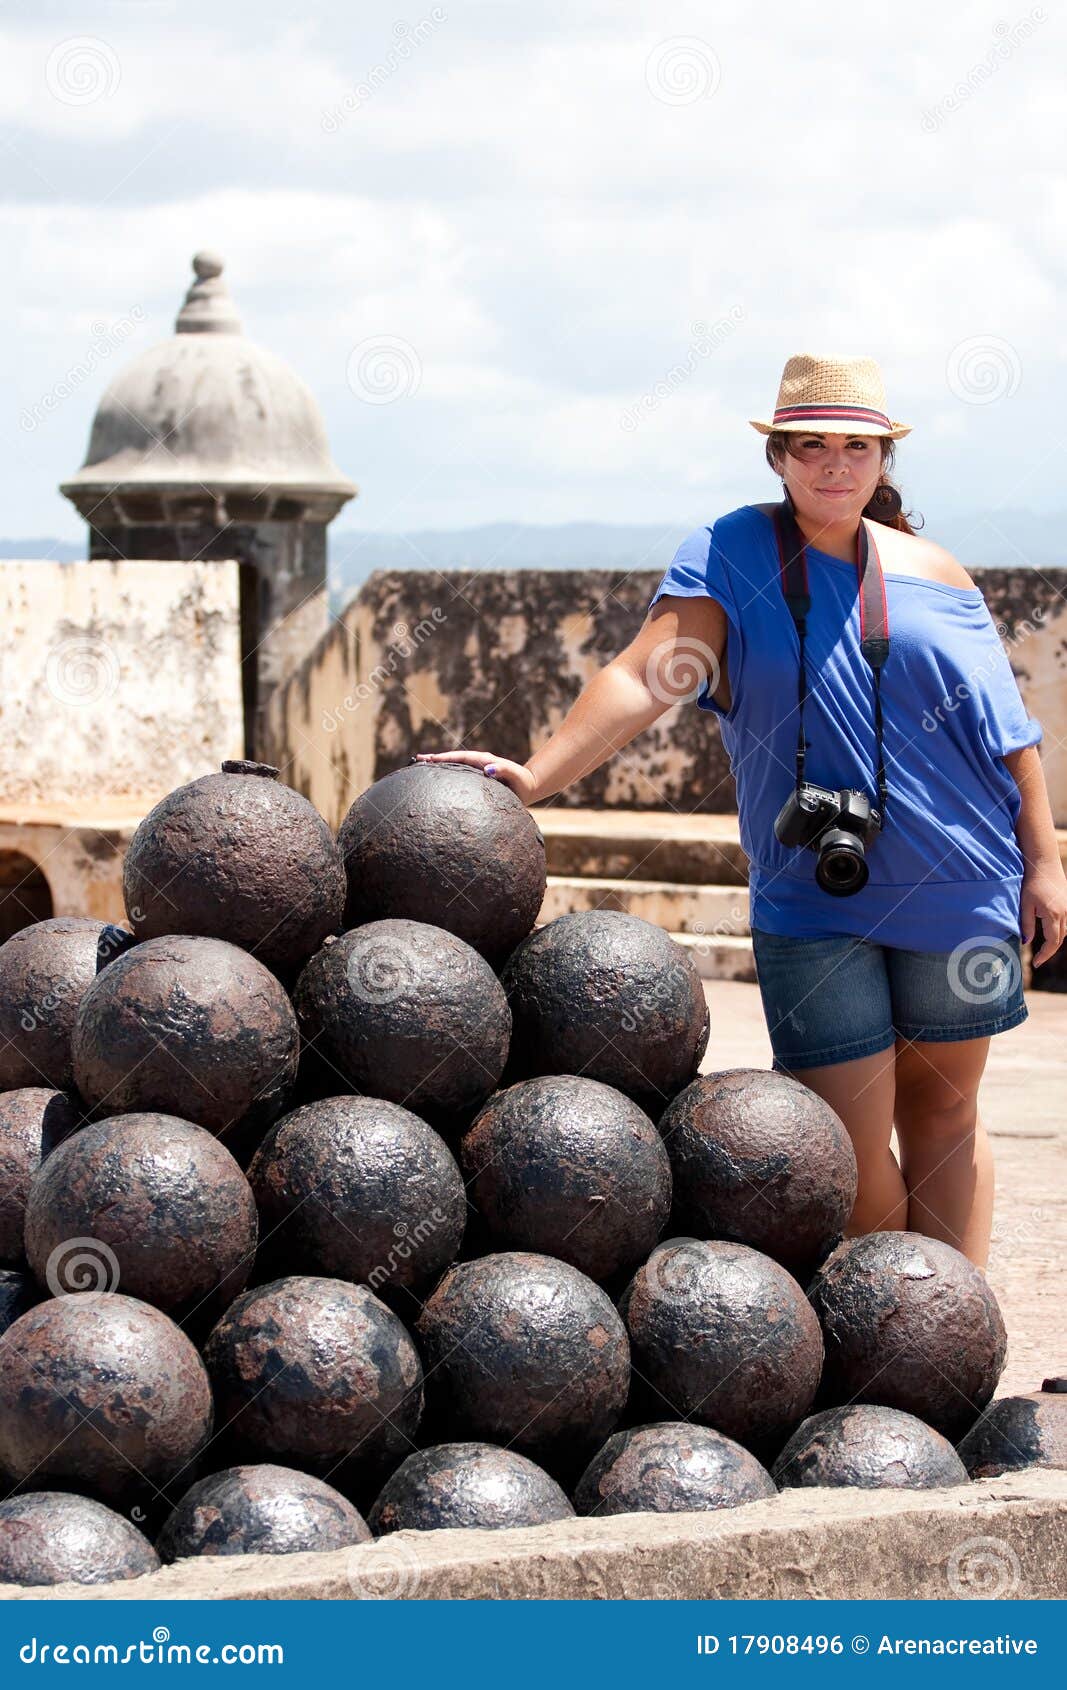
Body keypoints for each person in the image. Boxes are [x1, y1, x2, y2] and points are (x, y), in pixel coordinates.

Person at [415, 352, 1067, 1269]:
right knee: (836, 1142)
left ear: (883, 460)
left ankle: (953, 1340)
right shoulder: (732, 554)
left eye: (855, 446)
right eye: (811, 446)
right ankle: (906, 1312)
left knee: (948, 1114)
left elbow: (1008, 732)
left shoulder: (936, 571)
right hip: (814, 887)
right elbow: (647, 673)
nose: (833, 465)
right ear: (778, 458)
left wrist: (1043, 860)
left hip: (963, 878)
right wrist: (537, 774)